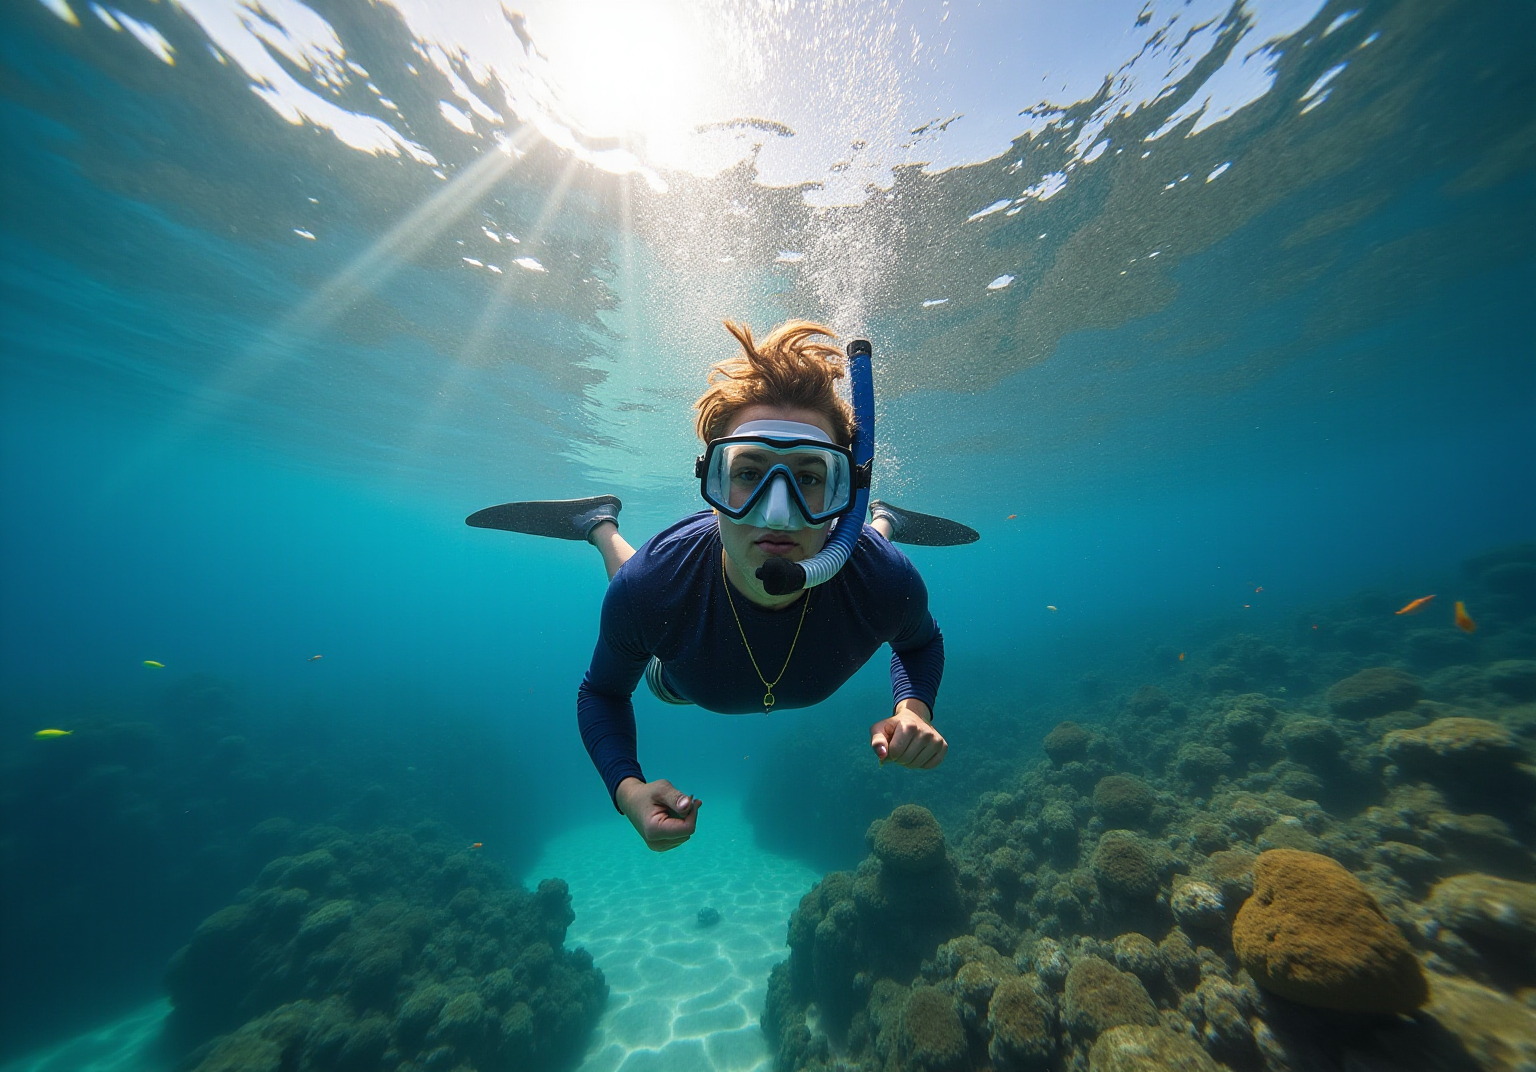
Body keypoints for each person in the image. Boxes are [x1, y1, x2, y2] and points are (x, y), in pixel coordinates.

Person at [468, 321, 976, 851]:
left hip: (845, 553)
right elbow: (602, 691)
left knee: (867, 553)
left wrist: (913, 707)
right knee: (646, 606)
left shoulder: (885, 578)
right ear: (713, 484)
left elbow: (921, 642)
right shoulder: (654, 585)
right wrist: (628, 791)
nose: (778, 517)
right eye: (749, 473)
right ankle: (601, 525)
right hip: (677, 668)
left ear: (843, 490)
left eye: (808, 478)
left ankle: (879, 519)